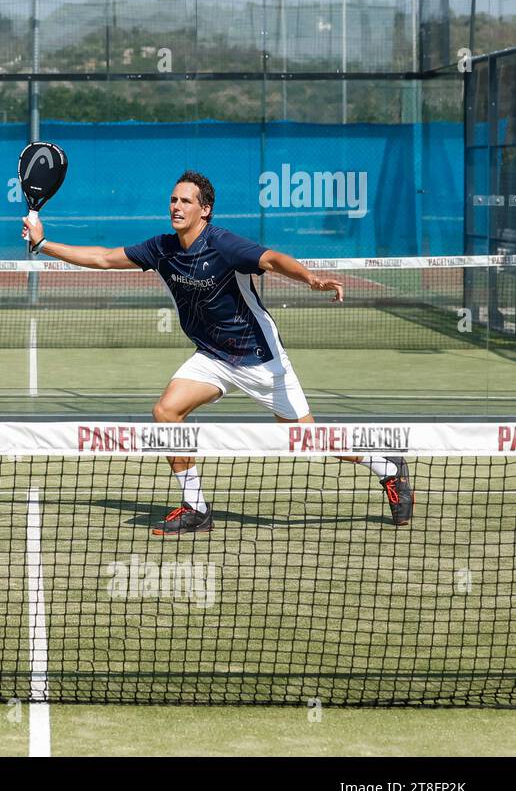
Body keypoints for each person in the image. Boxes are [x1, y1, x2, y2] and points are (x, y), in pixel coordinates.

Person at [21, 169, 413, 536]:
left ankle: (386, 465)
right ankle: (195, 508)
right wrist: (43, 243)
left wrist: (309, 278)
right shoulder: (162, 249)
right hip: (211, 357)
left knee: (309, 443)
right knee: (167, 412)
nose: (176, 207)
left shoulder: (223, 244)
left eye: (186, 201)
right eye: (173, 200)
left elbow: (272, 259)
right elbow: (104, 258)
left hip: (258, 358)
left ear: (204, 209)